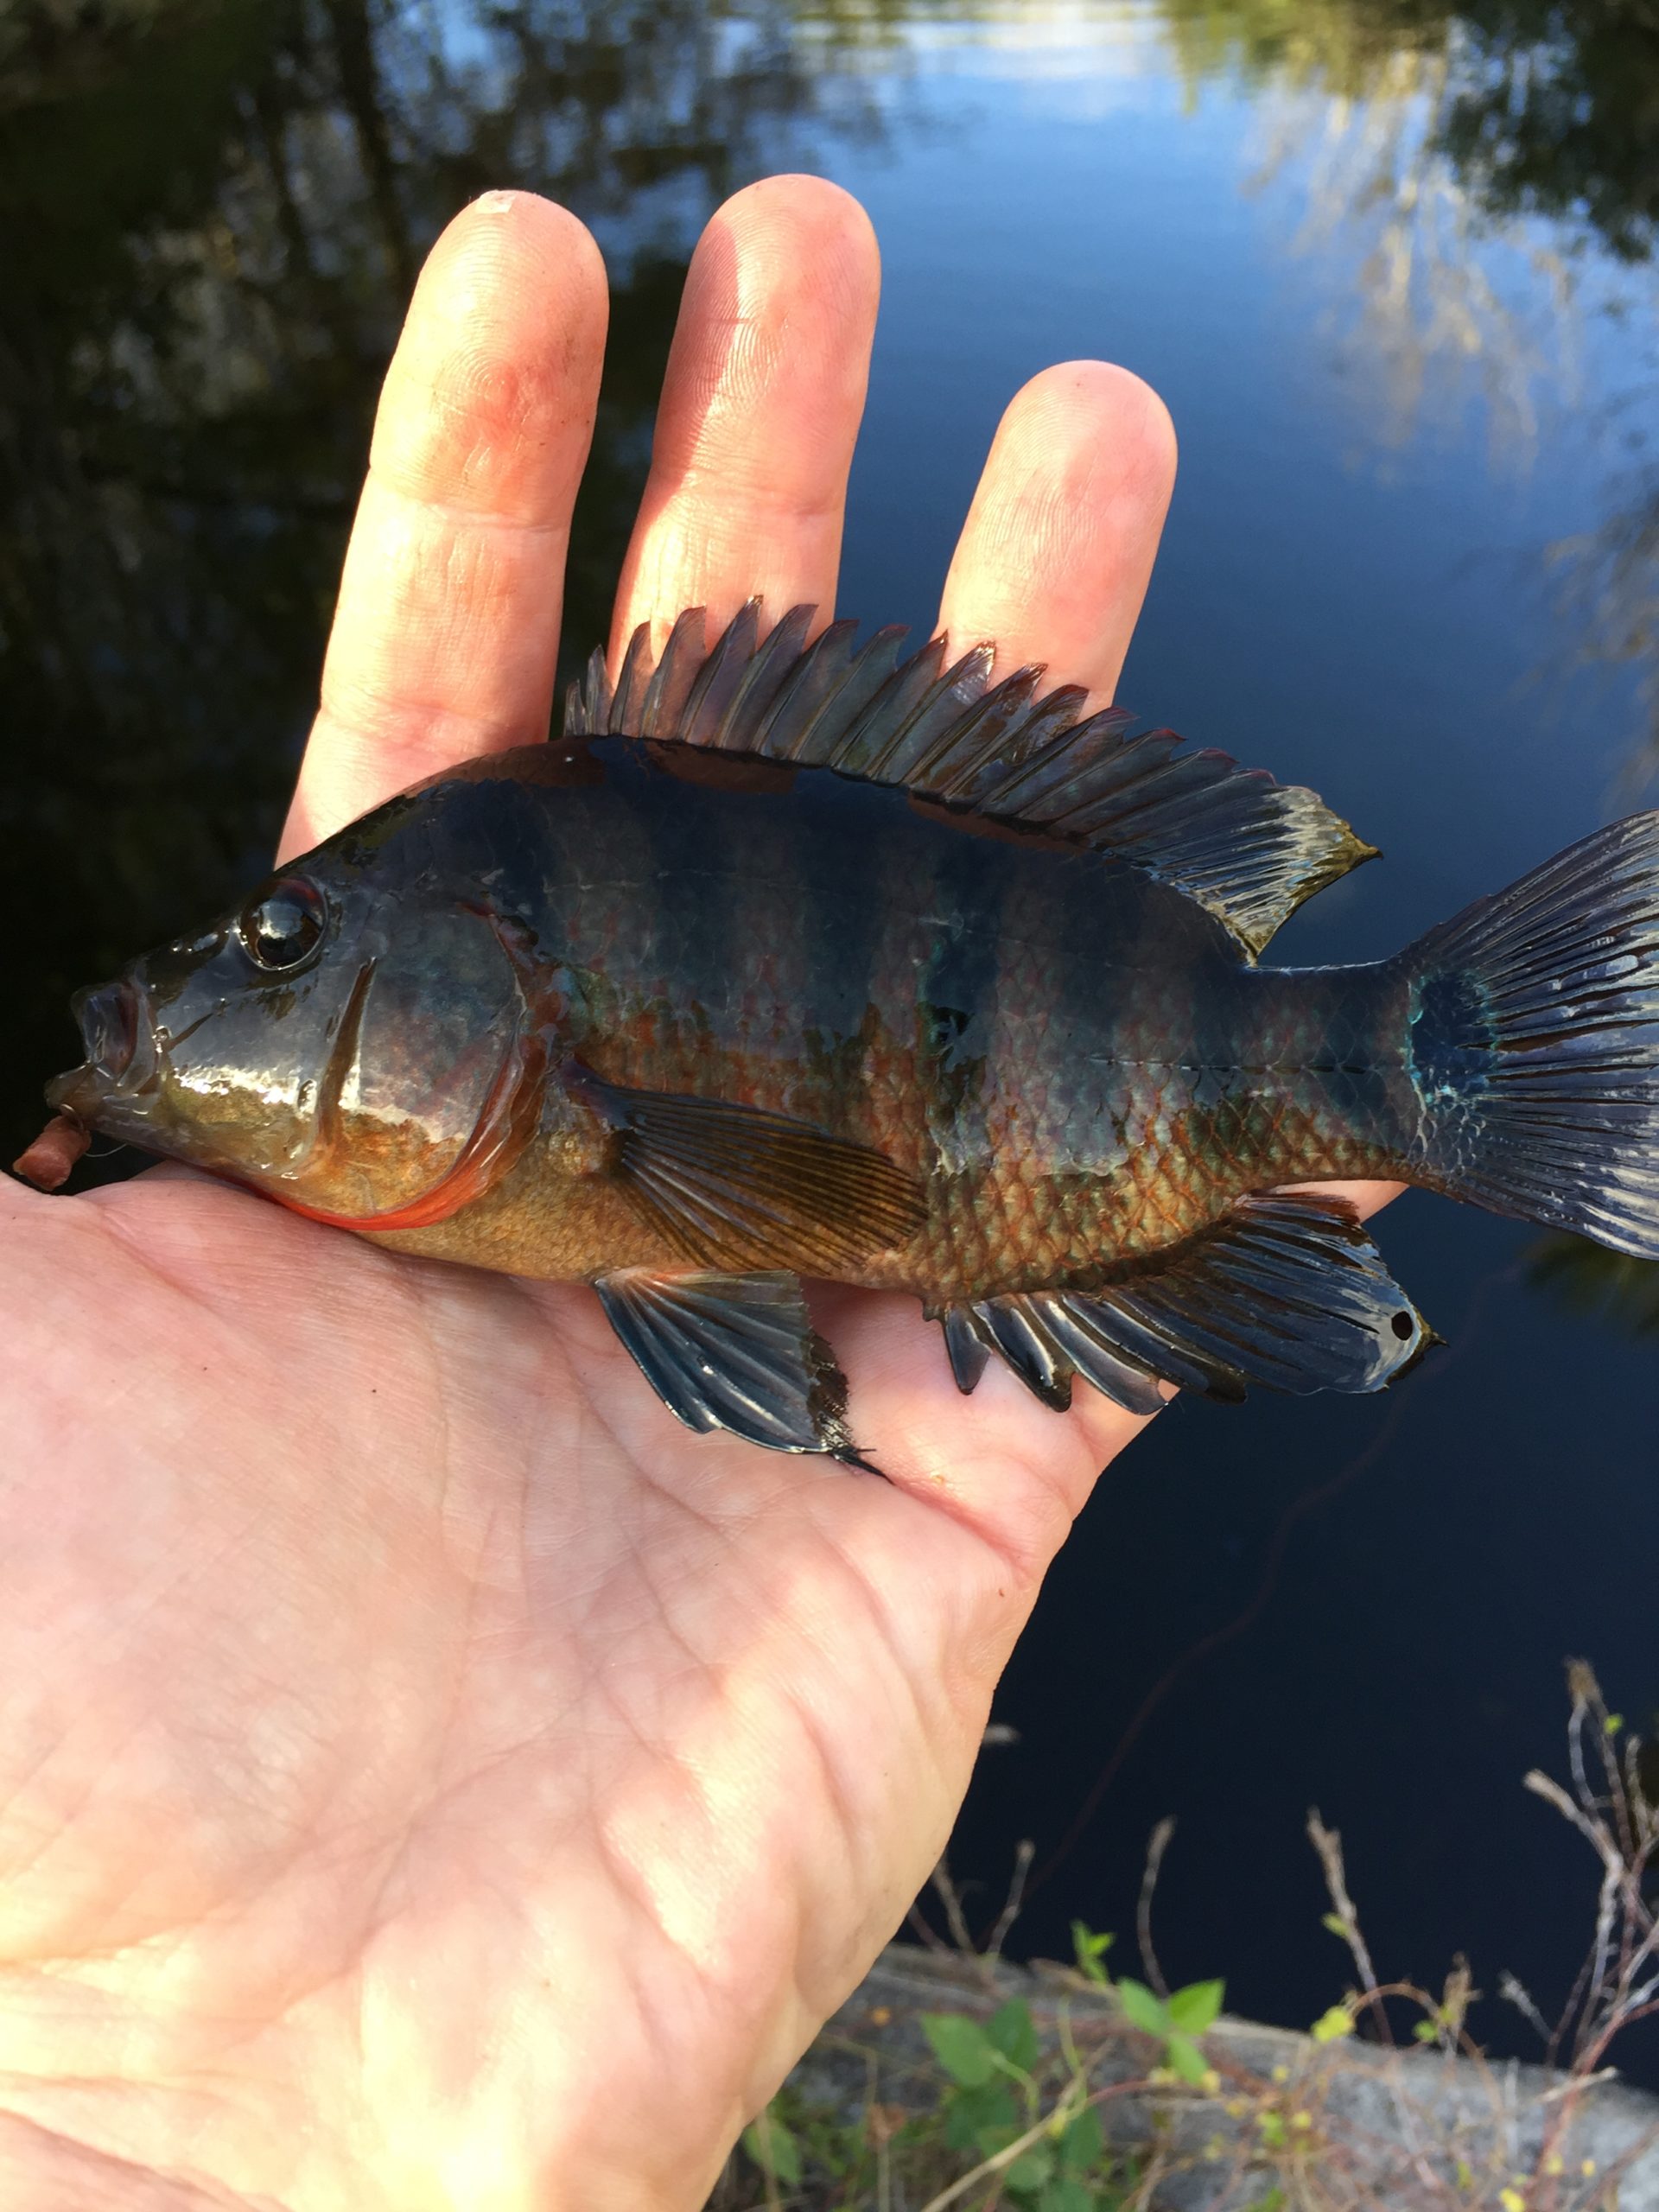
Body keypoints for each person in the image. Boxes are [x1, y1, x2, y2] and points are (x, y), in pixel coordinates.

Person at [0, 178, 1391, 2209]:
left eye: (286, 943)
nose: (216, 983)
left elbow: (730, 1203)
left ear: (486, 991)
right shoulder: (480, 1053)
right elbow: (723, 1219)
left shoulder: (538, 1035)